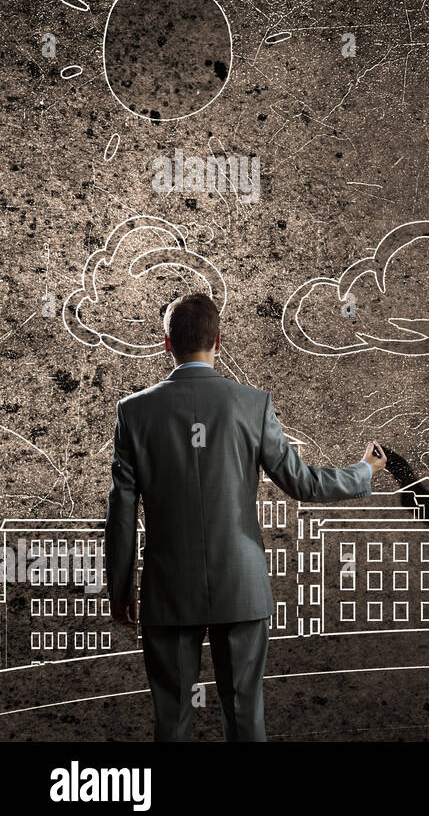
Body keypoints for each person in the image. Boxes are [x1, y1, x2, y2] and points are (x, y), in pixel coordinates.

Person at [105, 292, 386, 741]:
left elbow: (120, 512)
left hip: (168, 590)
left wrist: (119, 588)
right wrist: (362, 471)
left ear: (166, 343)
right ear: (219, 340)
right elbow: (302, 483)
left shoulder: (134, 412)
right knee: (244, 720)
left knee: (172, 723)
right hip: (240, 585)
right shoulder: (252, 405)